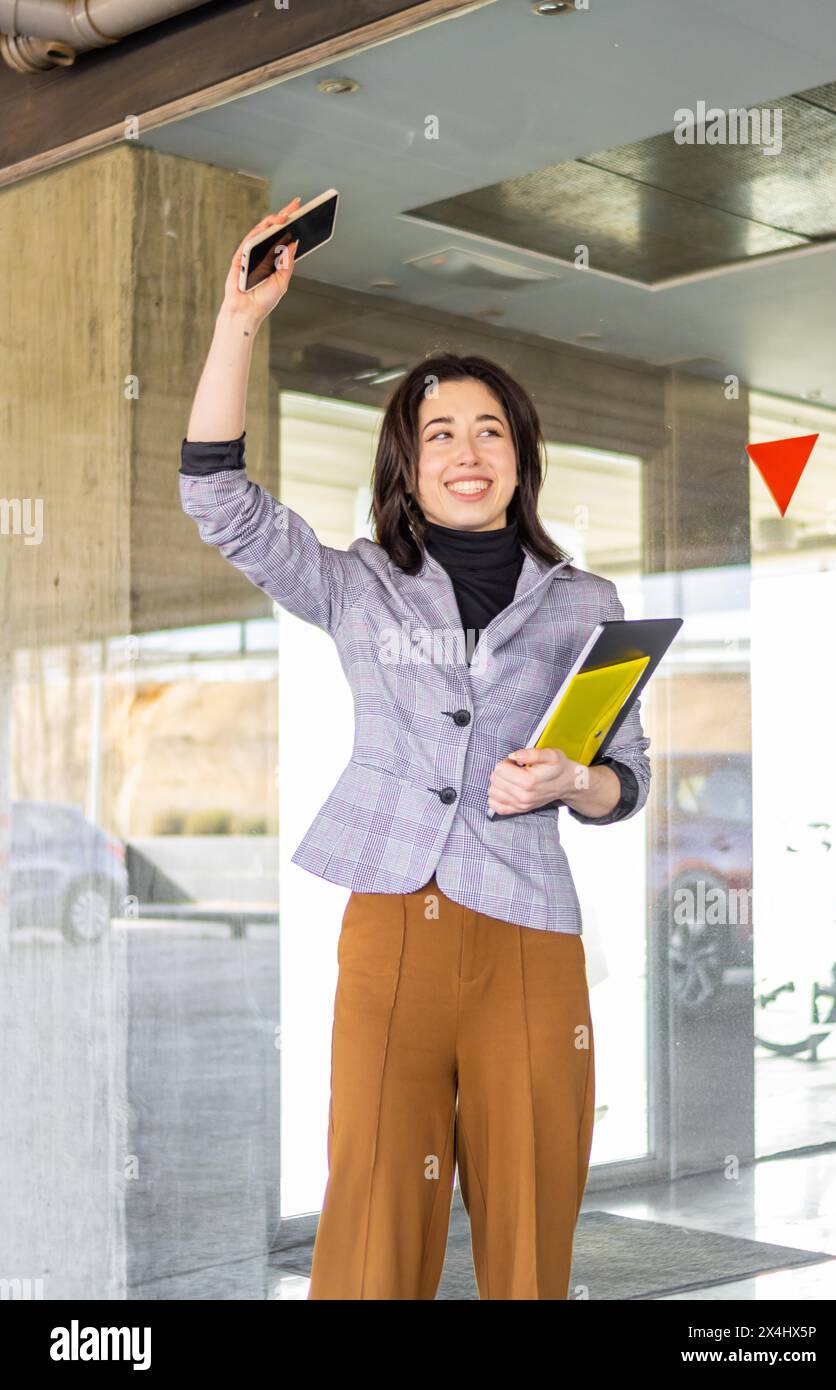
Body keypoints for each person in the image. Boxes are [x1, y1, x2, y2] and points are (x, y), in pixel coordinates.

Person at [180, 200, 652, 1300]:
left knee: (532, 1222)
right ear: (406, 461)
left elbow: (622, 775)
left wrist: (571, 778)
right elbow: (219, 500)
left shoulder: (588, 601)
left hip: (530, 935)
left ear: (521, 453)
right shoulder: (355, 582)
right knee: (374, 1218)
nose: (466, 449)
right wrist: (237, 324)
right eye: (438, 432)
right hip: (391, 924)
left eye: (488, 428)